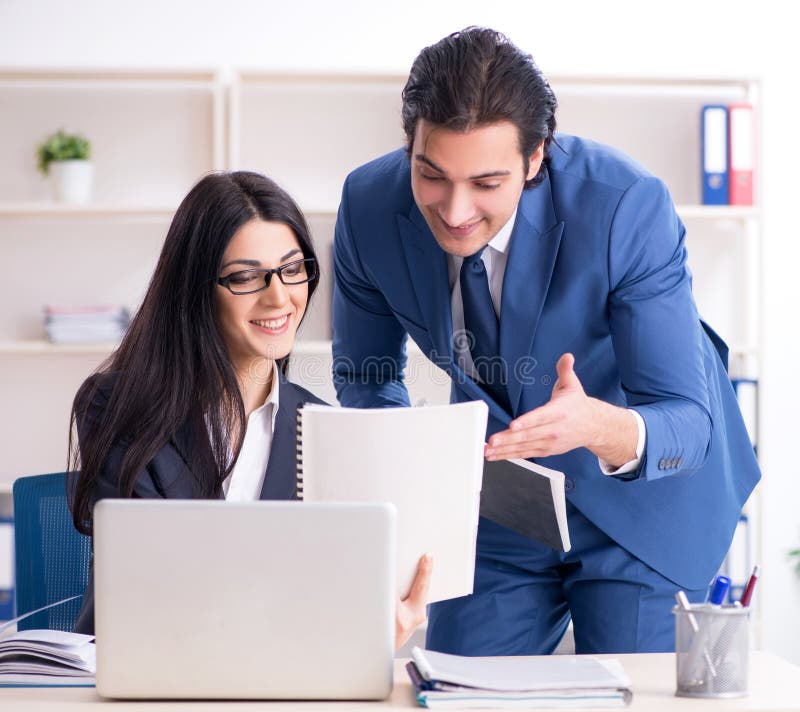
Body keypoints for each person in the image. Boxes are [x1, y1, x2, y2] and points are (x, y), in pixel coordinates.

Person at [331, 27, 760, 655]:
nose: (453, 211)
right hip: (505, 502)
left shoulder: (624, 206)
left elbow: (687, 421)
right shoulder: (369, 206)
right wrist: (420, 466)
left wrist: (595, 426)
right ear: (410, 146)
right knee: (455, 685)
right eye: (431, 174)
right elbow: (366, 378)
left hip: (646, 506)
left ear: (536, 159)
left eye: (485, 183)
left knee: (630, 693)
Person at [68, 171, 431, 647]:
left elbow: (332, 598)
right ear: (197, 290)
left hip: (279, 680)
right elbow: (155, 592)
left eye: (293, 269)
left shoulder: (327, 430)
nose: (279, 296)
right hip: (150, 677)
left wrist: (373, 627)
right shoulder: (117, 407)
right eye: (245, 277)